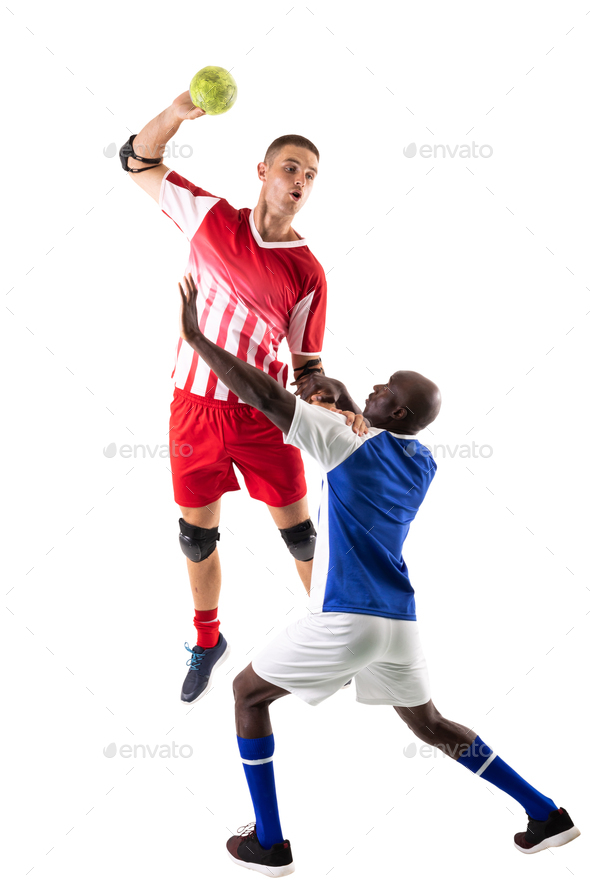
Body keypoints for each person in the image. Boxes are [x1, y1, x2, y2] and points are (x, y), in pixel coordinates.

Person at [177, 272, 581, 876]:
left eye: (385, 387)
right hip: (398, 622)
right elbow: (353, 419)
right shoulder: (420, 462)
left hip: (346, 616)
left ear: (394, 411)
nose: (373, 384)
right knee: (434, 725)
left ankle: (269, 842)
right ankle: (546, 815)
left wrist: (197, 337)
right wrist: (336, 399)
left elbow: (262, 394)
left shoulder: (347, 441)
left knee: (247, 694)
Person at [119, 91, 366, 705]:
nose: (300, 182)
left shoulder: (307, 271)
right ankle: (208, 640)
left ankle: (339, 636)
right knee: (196, 537)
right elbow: (135, 158)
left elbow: (307, 364)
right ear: (263, 172)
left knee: (304, 537)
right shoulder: (210, 218)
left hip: (264, 415)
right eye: (290, 169)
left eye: (310, 176)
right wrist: (176, 113)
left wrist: (328, 397)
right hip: (192, 410)